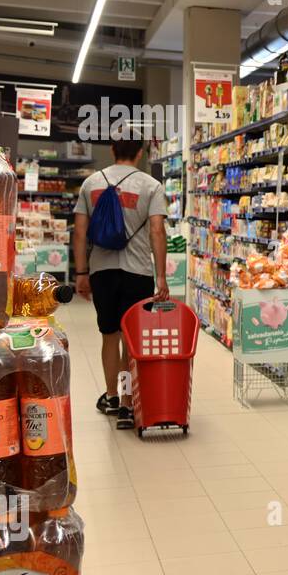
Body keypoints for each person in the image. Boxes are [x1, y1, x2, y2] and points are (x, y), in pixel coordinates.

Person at [72, 137, 169, 429]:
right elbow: (157, 231)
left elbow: (79, 232)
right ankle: (128, 404)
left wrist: (81, 273)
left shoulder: (91, 184)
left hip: (102, 271)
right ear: (141, 153)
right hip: (138, 272)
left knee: (109, 335)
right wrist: (161, 276)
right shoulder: (151, 186)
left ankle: (111, 396)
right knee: (131, 340)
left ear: (113, 150)